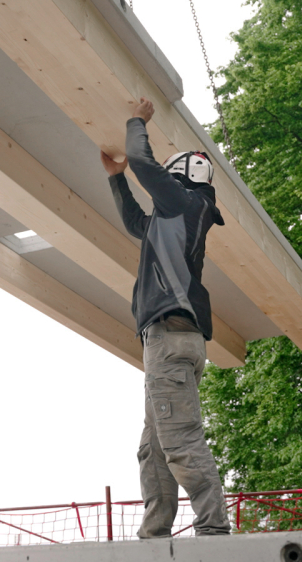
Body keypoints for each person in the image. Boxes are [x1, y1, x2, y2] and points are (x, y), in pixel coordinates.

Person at [100, 97, 230, 537]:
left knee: (179, 442)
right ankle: (154, 537)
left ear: (178, 178)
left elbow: (141, 158)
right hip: (172, 343)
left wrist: (137, 119)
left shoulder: (184, 202)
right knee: (154, 452)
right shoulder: (174, 218)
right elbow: (137, 223)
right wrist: (117, 180)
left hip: (171, 339)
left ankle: (213, 531)